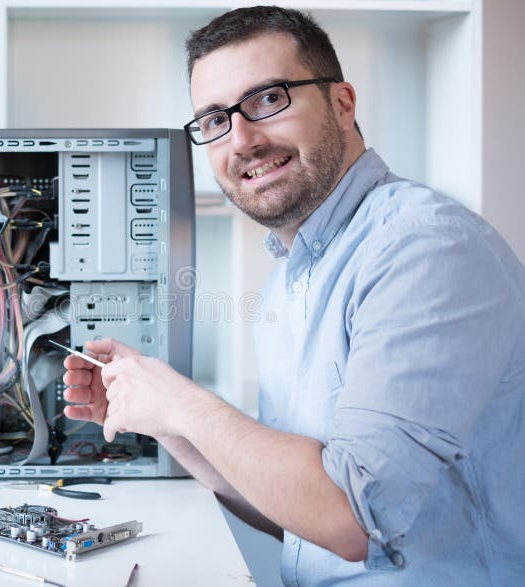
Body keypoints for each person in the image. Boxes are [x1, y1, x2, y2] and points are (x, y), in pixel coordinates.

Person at [62, 6, 525, 585]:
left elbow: (351, 516)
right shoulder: (291, 278)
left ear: (342, 104)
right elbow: (294, 507)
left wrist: (179, 400)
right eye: (214, 120)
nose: (243, 140)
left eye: (268, 99)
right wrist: (159, 420)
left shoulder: (424, 248)